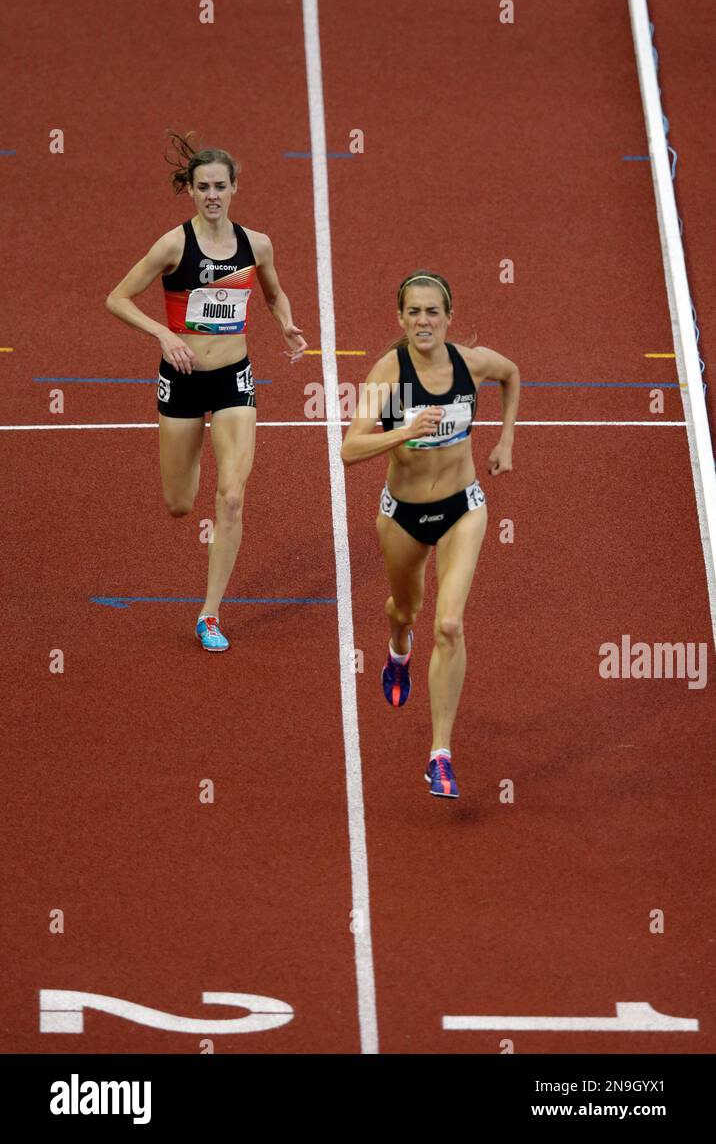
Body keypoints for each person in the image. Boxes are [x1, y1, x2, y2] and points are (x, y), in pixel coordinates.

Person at [106, 130, 306, 651]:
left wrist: (284, 323)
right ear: (190, 191)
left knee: (233, 497)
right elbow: (118, 298)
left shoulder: (256, 244)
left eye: (220, 185)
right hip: (182, 382)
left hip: (235, 379)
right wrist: (164, 333)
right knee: (179, 502)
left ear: (234, 187)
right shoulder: (174, 244)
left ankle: (210, 614)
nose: (212, 194)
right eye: (203, 187)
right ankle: (191, 460)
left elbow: (274, 291)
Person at [341, 270, 519, 798]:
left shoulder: (473, 363)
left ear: (449, 317)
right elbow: (349, 449)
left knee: (449, 623)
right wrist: (404, 431)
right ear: (400, 318)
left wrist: (507, 440)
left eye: (432, 312)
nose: (423, 321)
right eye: (414, 312)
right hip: (403, 516)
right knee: (405, 610)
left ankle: (440, 753)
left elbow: (512, 374)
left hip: (464, 506)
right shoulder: (387, 375)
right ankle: (399, 649)